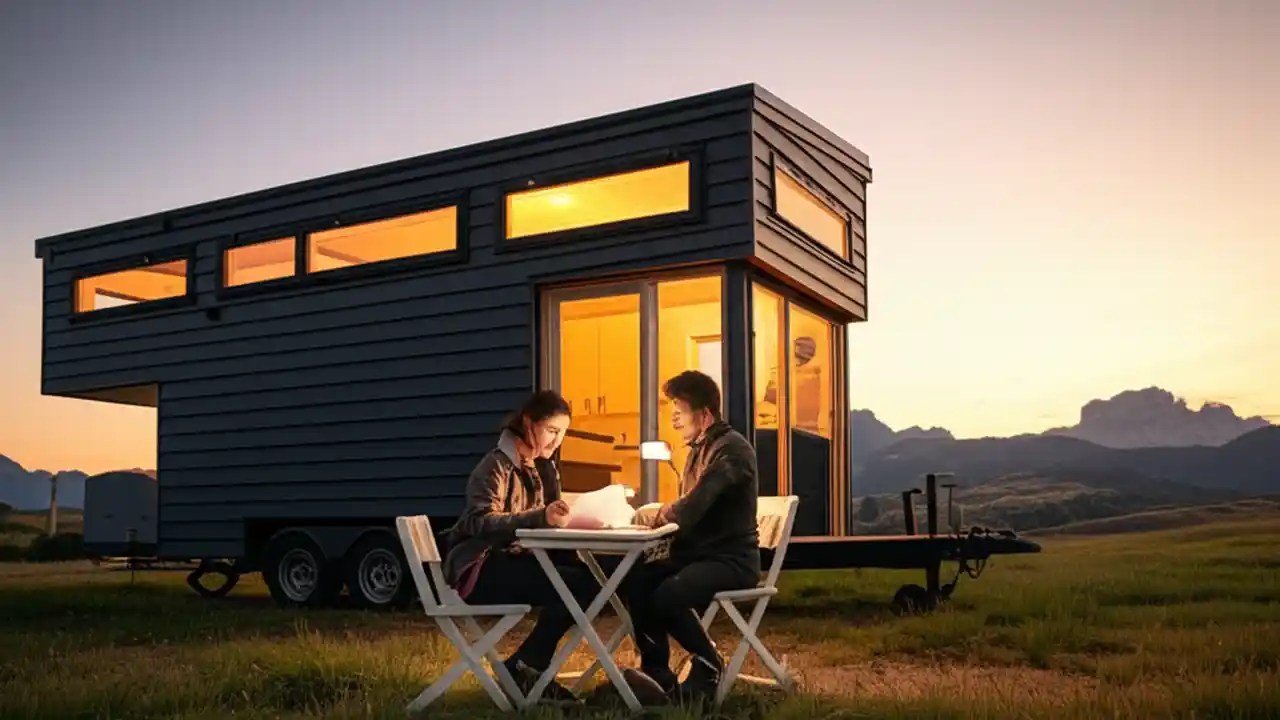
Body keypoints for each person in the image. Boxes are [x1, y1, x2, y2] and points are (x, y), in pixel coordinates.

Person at [441, 390, 598, 702]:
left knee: (587, 581)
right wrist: (541, 516)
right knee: (575, 586)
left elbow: (541, 520)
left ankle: (525, 668)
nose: (557, 441)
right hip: (479, 567)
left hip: (515, 560)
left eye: (563, 433)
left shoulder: (540, 467)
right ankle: (524, 670)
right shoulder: (495, 465)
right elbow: (478, 521)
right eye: (552, 430)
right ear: (529, 423)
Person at [622, 370, 761, 705]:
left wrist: (656, 514)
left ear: (705, 414)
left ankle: (709, 663)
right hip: (700, 554)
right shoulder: (700, 448)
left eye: (680, 410)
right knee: (637, 577)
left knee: (668, 594)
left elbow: (693, 507)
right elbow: (688, 509)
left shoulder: (731, 451)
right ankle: (656, 674)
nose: (674, 418)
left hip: (731, 560)